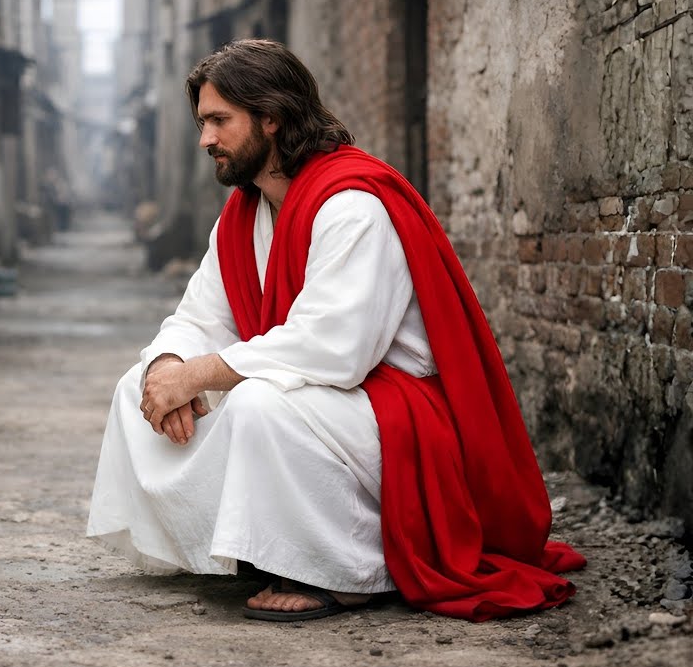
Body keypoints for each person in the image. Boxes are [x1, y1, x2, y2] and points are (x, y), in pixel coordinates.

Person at [86, 39, 585, 622]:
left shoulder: (352, 206)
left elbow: (335, 346)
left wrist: (200, 374)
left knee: (257, 405)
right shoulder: (244, 215)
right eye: (203, 123)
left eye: (220, 121)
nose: (206, 140)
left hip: (395, 411)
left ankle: (342, 571)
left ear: (270, 118)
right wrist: (171, 365)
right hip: (322, 398)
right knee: (139, 388)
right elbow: (201, 317)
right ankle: (241, 545)